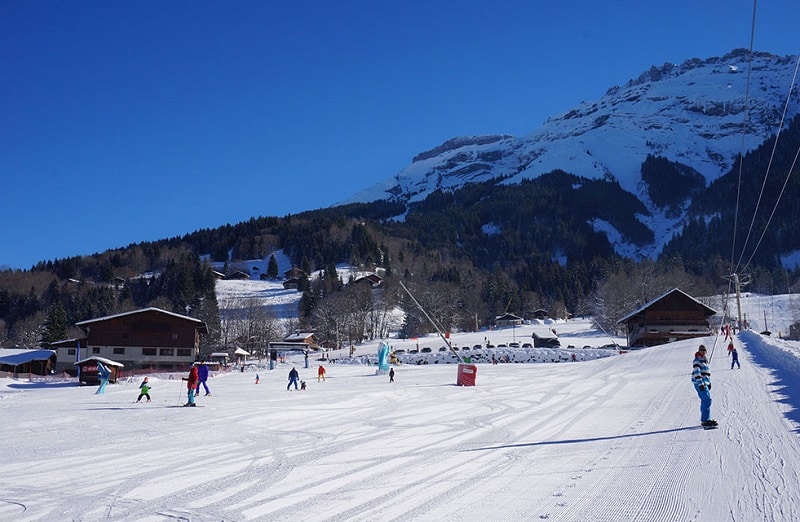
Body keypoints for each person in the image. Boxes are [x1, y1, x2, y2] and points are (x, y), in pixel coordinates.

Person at [692, 345, 716, 427]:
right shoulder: (697, 360)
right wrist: (700, 383)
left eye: (704, 350)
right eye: (701, 350)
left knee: (705, 400)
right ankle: (705, 420)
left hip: (704, 383)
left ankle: (705, 419)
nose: (703, 351)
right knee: (707, 400)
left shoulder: (704, 361)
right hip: (699, 383)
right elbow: (697, 372)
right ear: (699, 351)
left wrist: (709, 383)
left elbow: (706, 374)